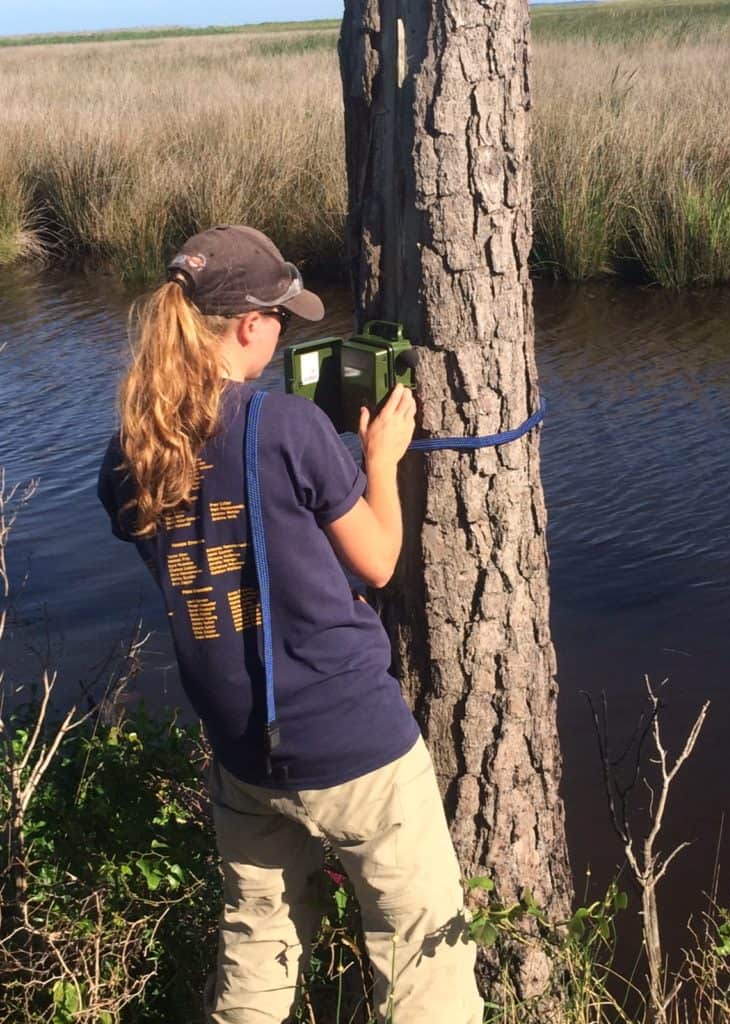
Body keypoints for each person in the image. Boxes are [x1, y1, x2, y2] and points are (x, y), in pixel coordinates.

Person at [96, 224, 485, 1024]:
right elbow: (376, 560)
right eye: (281, 317)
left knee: (255, 956)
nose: (286, 332)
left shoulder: (127, 454)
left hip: (245, 756)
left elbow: (220, 539)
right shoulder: (288, 427)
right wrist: (377, 461)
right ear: (248, 326)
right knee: (422, 965)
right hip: (356, 748)